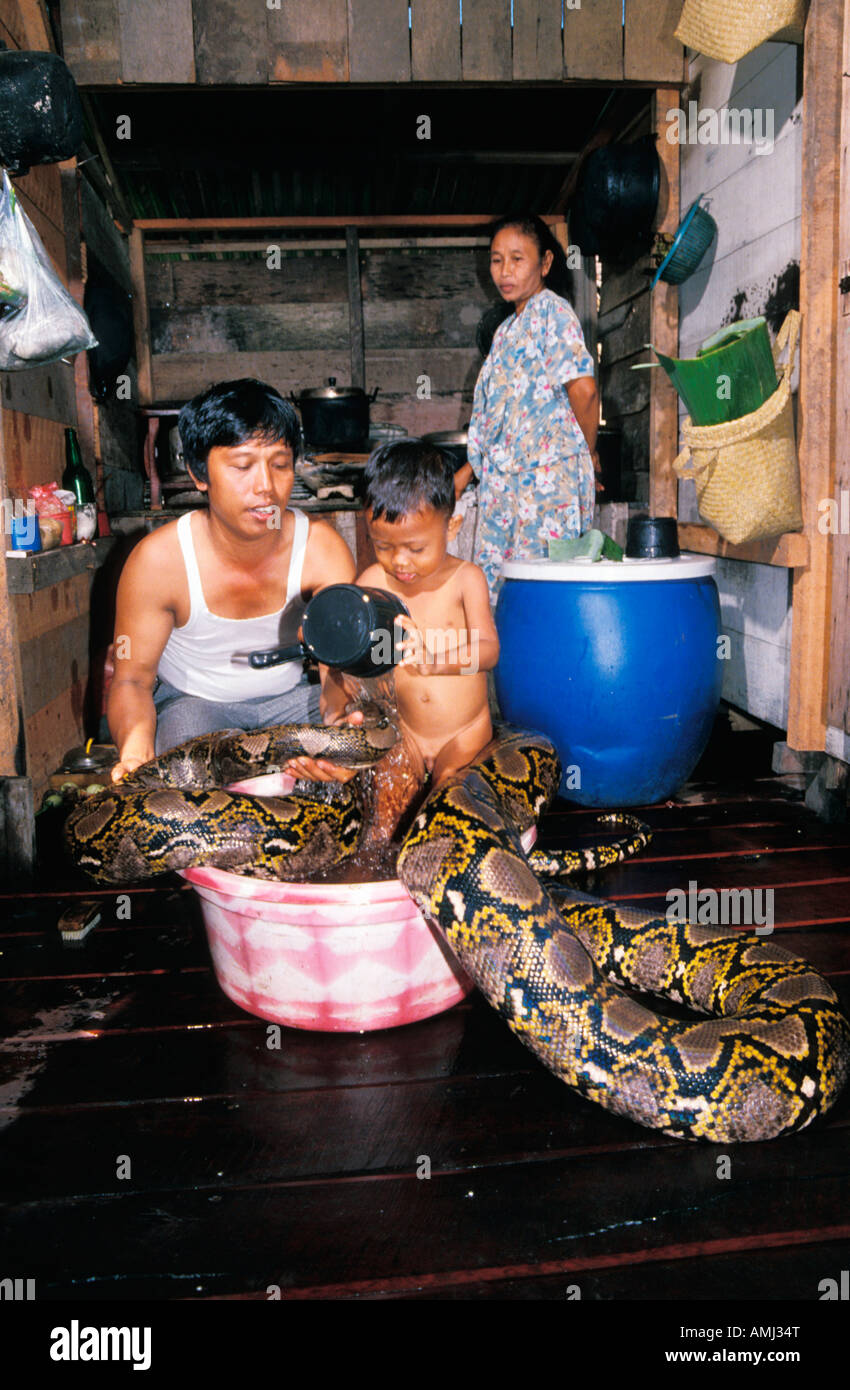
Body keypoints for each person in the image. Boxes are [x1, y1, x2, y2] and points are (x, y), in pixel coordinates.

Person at [107, 378, 358, 784]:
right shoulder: (159, 562)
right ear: (198, 473)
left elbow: (338, 671)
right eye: (242, 467)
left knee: (372, 753)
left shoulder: (319, 549)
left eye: (280, 464)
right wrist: (136, 753)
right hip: (196, 706)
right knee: (188, 774)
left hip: (293, 704)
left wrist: (339, 724)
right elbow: (132, 680)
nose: (266, 487)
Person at [456, 215, 602, 603]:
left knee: (543, 594)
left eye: (517, 259)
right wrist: (467, 472)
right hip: (504, 489)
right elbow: (501, 419)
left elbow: (584, 391)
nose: (504, 271)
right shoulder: (506, 330)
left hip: (546, 487)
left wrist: (583, 454)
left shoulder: (552, 312)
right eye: (496, 260)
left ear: (546, 263)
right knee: (500, 595)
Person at [342, 439, 499, 788]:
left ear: (452, 527)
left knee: (449, 791)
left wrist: (435, 662)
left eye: (416, 548)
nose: (400, 561)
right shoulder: (373, 583)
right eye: (383, 546)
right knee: (389, 804)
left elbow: (488, 652)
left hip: (464, 733)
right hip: (406, 734)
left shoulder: (465, 580)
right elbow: (353, 654)